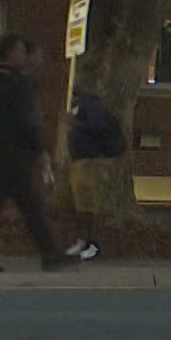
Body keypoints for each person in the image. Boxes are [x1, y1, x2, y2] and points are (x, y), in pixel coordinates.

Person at [0, 35, 71, 273]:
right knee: (28, 204)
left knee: (2, 204)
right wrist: (40, 150)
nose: (25, 56)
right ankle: (48, 253)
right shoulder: (17, 84)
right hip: (15, 153)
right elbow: (26, 121)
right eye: (21, 51)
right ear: (11, 54)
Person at [64, 80, 125, 261]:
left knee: (88, 203)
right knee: (81, 203)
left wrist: (75, 123)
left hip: (89, 159)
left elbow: (97, 127)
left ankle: (92, 243)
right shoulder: (80, 105)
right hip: (79, 159)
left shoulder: (90, 105)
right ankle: (83, 240)